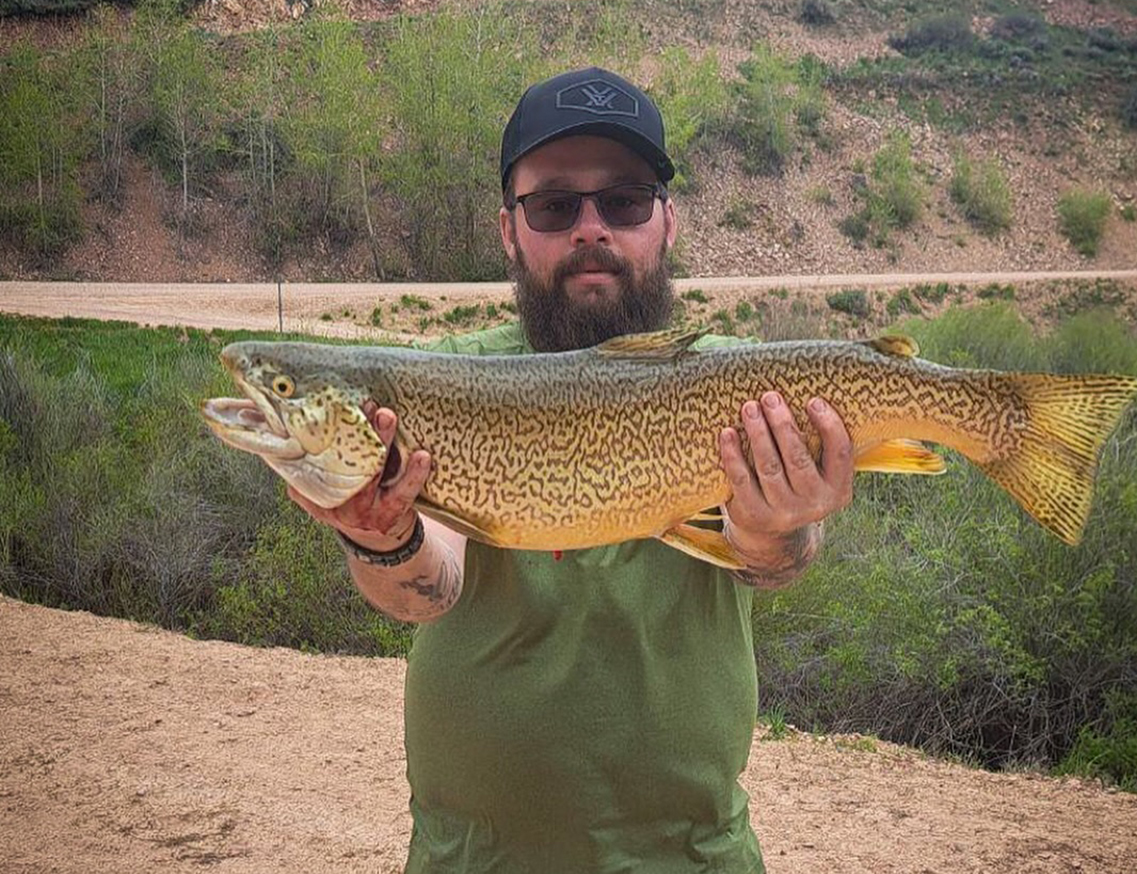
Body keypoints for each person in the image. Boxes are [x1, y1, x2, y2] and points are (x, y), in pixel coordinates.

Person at [289, 67, 853, 873]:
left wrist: (775, 531)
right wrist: (380, 539)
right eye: (555, 206)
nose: (592, 228)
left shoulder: (740, 387)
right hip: (476, 858)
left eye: (623, 201)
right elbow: (428, 586)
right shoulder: (441, 385)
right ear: (509, 231)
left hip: (690, 855)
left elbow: (780, 564)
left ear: (668, 221)